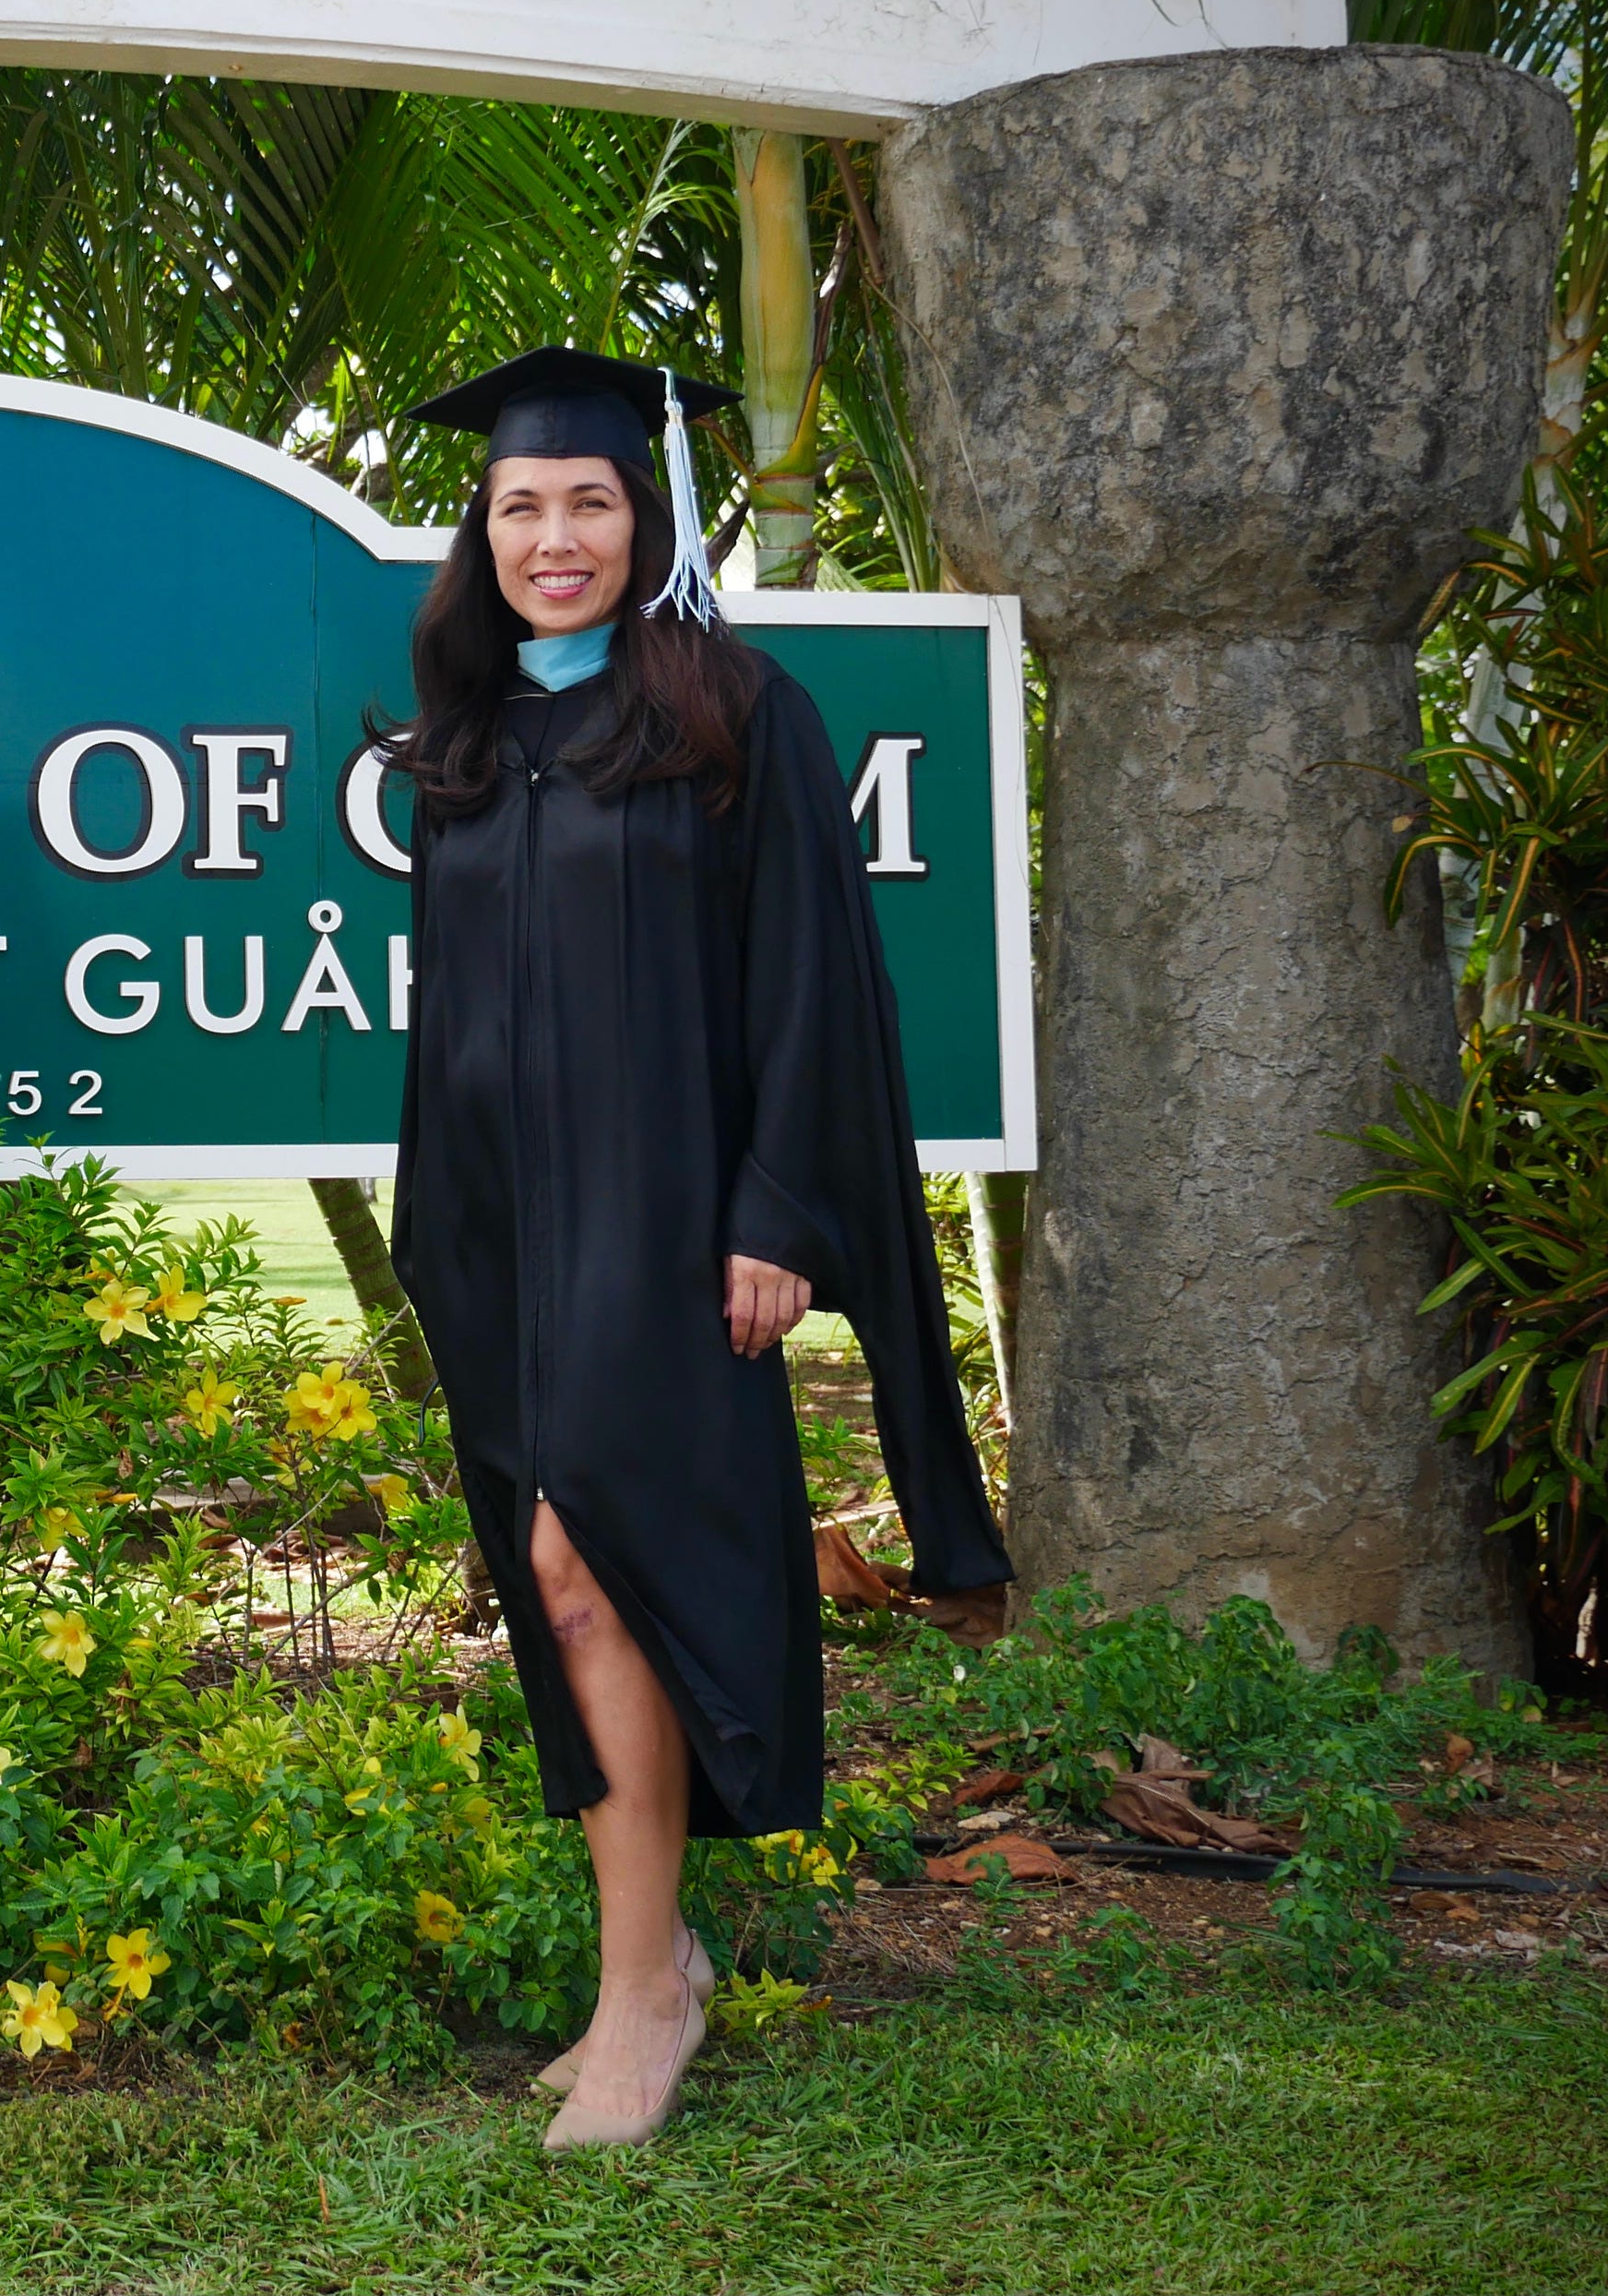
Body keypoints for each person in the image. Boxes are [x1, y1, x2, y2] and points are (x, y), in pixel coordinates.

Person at [385, 346, 1012, 2151]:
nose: (551, 535)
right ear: (482, 528)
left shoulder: (737, 712)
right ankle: (635, 1973)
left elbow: (813, 987)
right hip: (503, 1237)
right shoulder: (475, 739)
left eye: (585, 500)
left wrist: (773, 1212)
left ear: (640, 517)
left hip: (668, 1230)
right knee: (558, 1585)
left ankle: (646, 1987)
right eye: (519, 505)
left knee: (598, 1564)